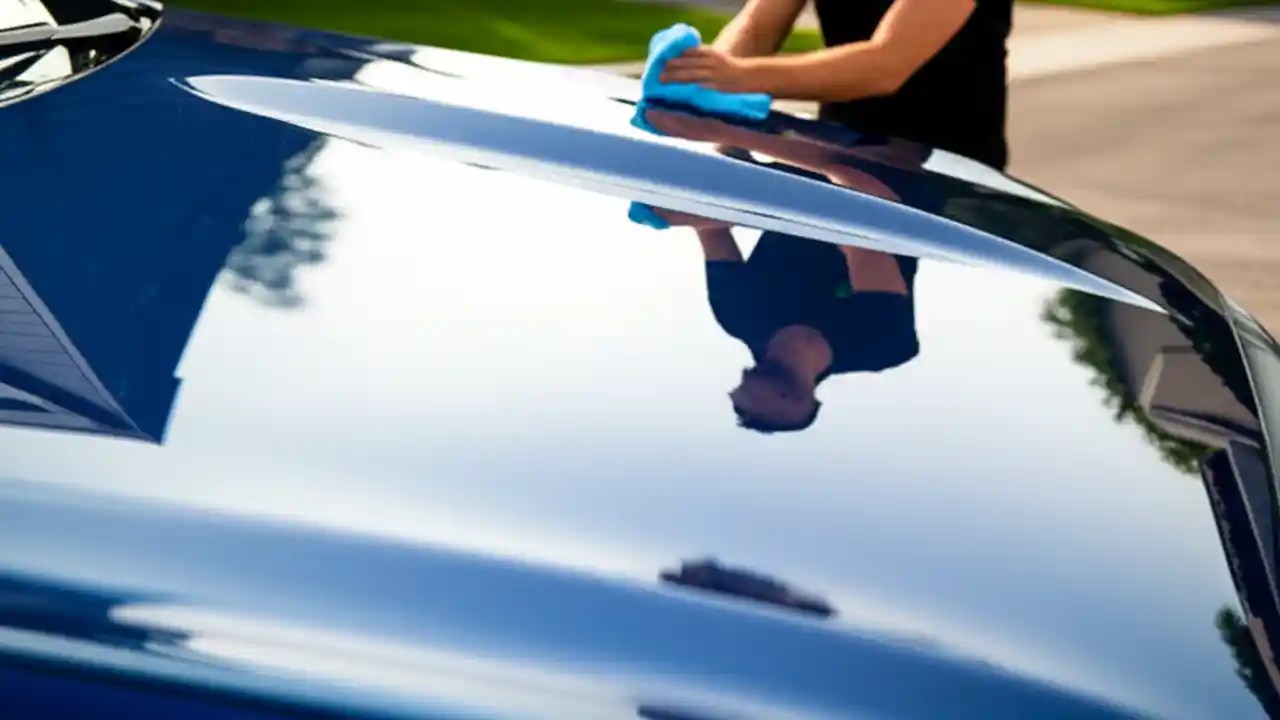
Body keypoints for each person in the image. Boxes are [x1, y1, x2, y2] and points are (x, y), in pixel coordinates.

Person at [658, 0, 1012, 169]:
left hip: (948, 175)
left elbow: (887, 64)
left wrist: (733, 76)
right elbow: (757, 25)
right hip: (838, 156)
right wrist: (699, 82)